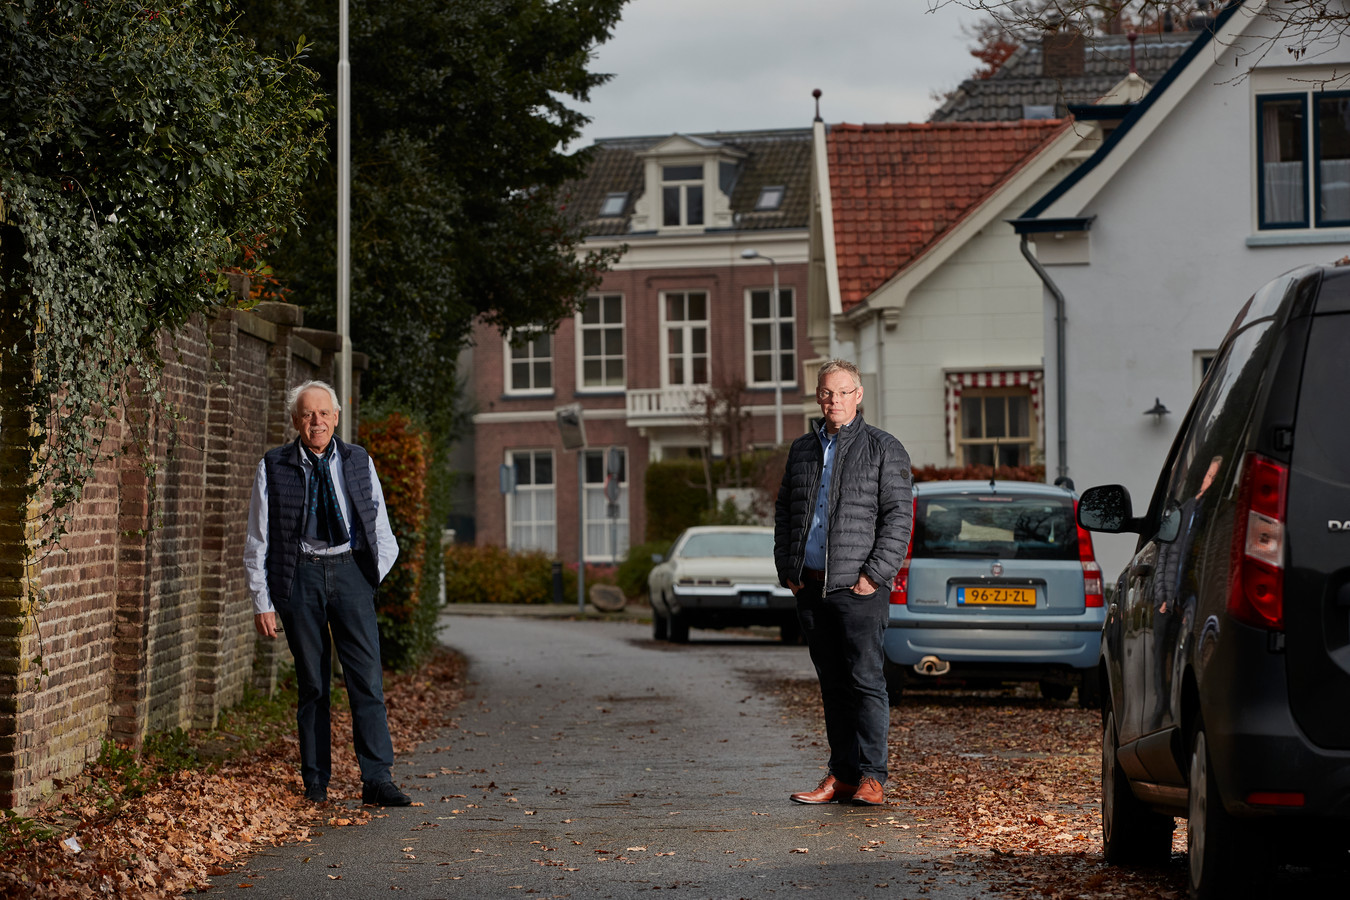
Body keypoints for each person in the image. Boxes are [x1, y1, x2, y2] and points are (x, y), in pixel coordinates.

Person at [244, 380, 411, 807]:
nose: (316, 421)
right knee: (314, 685)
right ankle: (315, 782)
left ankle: (377, 779)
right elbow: (258, 540)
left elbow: (382, 532)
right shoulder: (273, 465)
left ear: (336, 417)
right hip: (301, 576)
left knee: (366, 682)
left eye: (323, 413)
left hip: (350, 570)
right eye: (307, 414)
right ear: (295, 420)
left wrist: (367, 577)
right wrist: (262, 600)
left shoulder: (358, 460)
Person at [774, 359, 913, 807]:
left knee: (866, 682)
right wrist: (787, 571)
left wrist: (874, 576)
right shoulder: (802, 450)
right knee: (832, 685)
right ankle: (843, 775)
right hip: (810, 588)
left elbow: (899, 518)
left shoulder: (883, 448)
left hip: (858, 590)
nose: (834, 400)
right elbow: (784, 512)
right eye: (826, 393)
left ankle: (873, 777)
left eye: (842, 392)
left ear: (859, 395)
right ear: (818, 396)